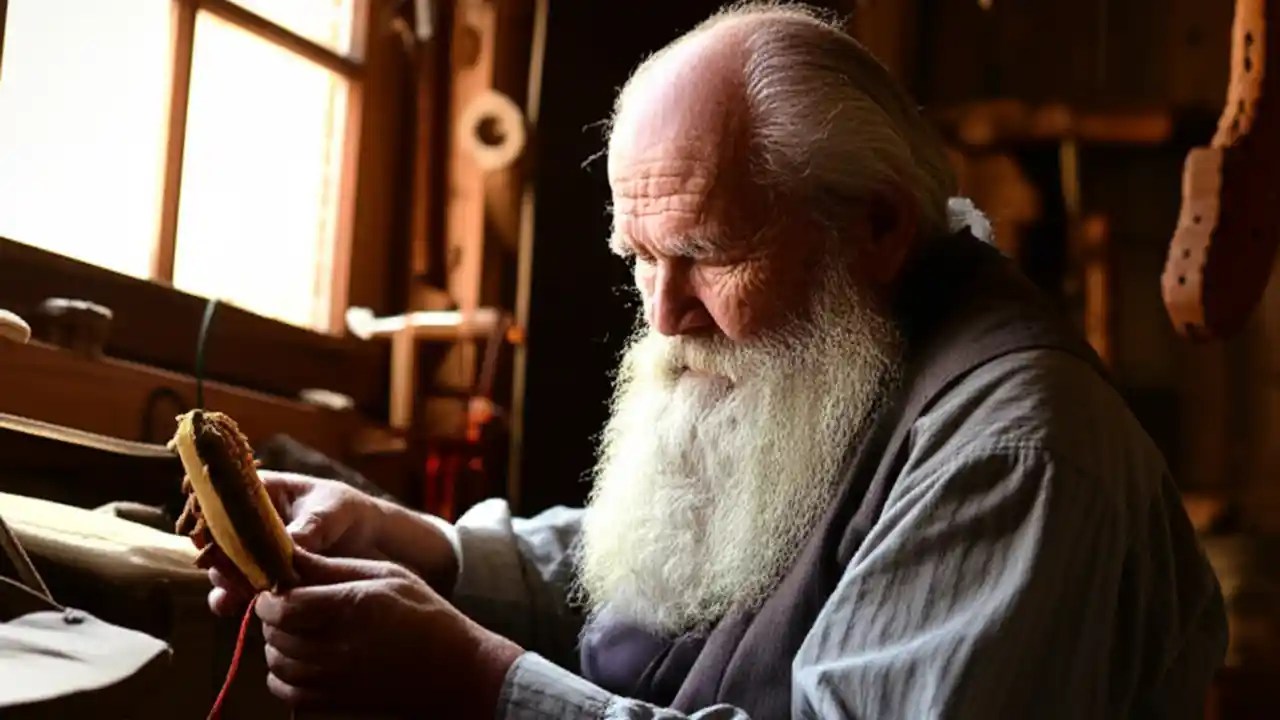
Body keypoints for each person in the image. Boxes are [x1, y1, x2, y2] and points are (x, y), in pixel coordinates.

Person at [209, 4, 1228, 718]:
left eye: (704, 254)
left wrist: (479, 683)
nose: (662, 313)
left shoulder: (1014, 459)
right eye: (638, 258)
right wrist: (423, 546)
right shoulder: (830, 346)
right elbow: (689, 564)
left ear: (873, 226)